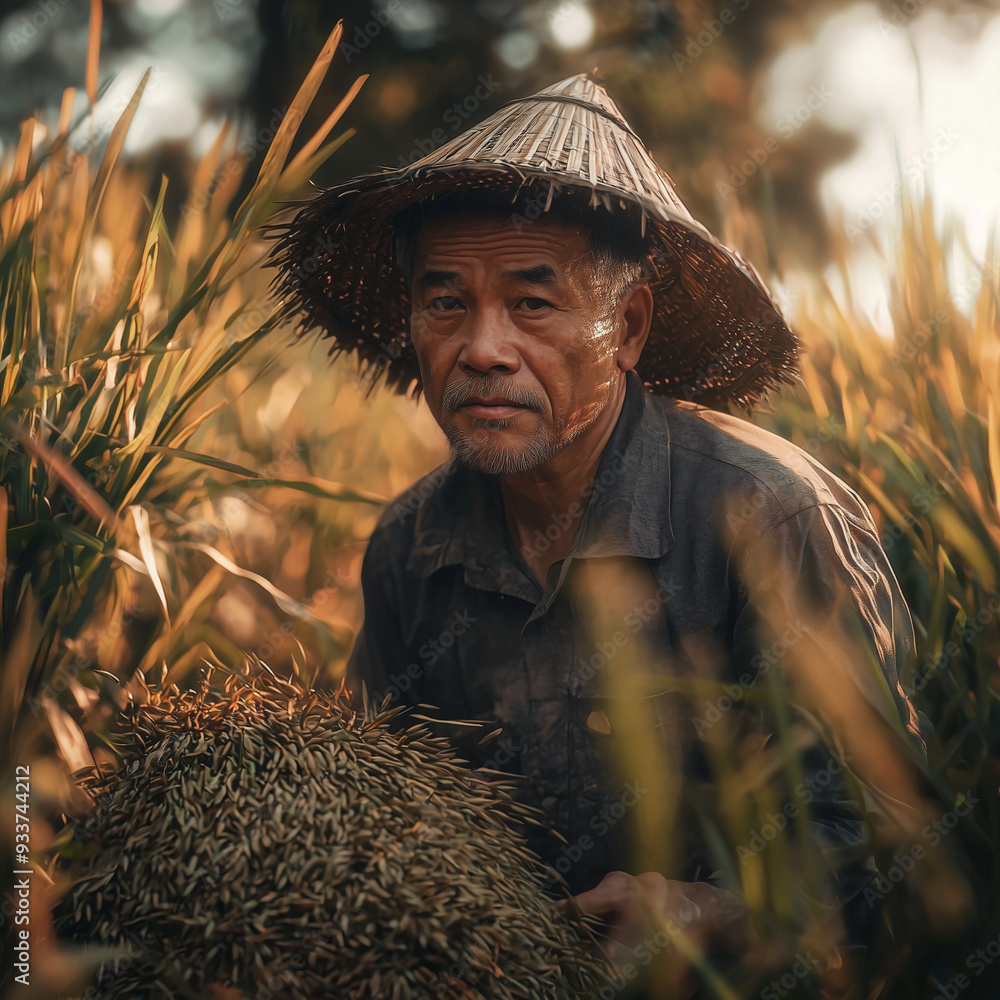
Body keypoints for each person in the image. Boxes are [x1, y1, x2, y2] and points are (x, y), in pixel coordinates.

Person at [268, 73, 931, 997]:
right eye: (445, 300)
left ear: (627, 327)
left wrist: (707, 912)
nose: (484, 348)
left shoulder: (767, 517)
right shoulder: (410, 547)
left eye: (532, 304)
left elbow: (889, 858)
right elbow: (378, 816)